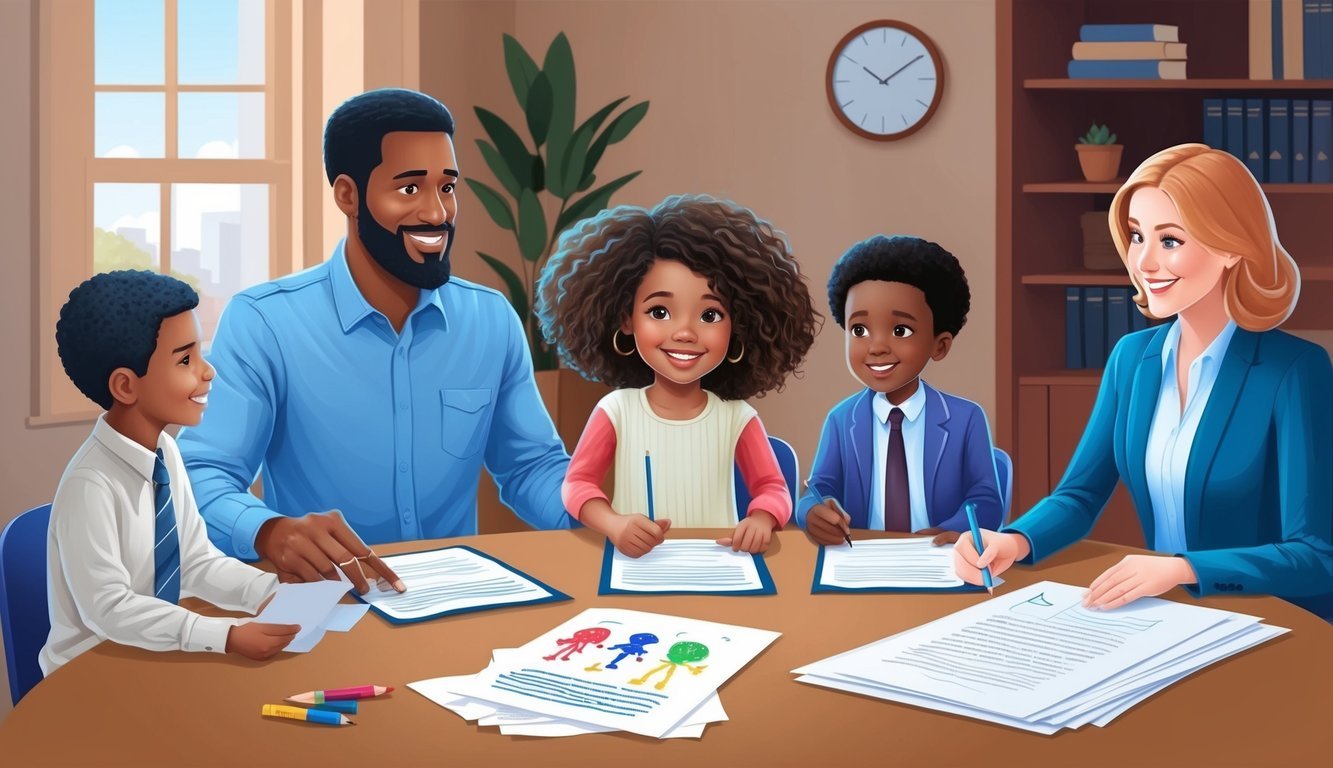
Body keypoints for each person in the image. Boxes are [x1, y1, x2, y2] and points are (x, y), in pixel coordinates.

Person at [178, 89, 571, 593]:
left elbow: (530, 466)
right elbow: (200, 475)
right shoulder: (265, 323)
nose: (437, 213)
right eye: (410, 190)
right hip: (326, 608)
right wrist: (269, 532)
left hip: (456, 602)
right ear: (348, 195)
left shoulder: (490, 319)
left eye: (447, 188)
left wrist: (600, 512)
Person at [955, 144, 1333, 616]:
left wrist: (1183, 568)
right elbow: (1080, 495)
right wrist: (1013, 540)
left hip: (1273, 618)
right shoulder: (1132, 359)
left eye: (1170, 241)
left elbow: (1315, 554)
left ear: (1232, 247)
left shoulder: (1294, 370)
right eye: (1137, 237)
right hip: (1166, 613)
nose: (1144, 263)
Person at [42, 271, 298, 676]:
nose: (207, 371)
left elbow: (195, 562)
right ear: (126, 386)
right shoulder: (90, 484)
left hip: (152, 658)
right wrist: (226, 635)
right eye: (185, 359)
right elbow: (110, 609)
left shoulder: (166, 454)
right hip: (92, 676)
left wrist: (269, 591)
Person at [536, 194, 819, 556]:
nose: (685, 333)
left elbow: (773, 488)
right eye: (659, 311)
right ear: (626, 318)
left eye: (710, 316)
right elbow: (577, 486)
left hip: (721, 568)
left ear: (738, 327)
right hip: (639, 571)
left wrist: (762, 519)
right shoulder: (616, 410)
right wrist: (615, 524)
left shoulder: (737, 417)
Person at [796, 235, 1003, 545]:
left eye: (900, 330)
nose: (877, 347)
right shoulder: (841, 420)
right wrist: (813, 513)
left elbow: (986, 499)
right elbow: (818, 489)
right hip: (860, 558)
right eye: (859, 330)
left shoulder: (966, 419)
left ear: (939, 344)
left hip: (939, 559)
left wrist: (952, 529)